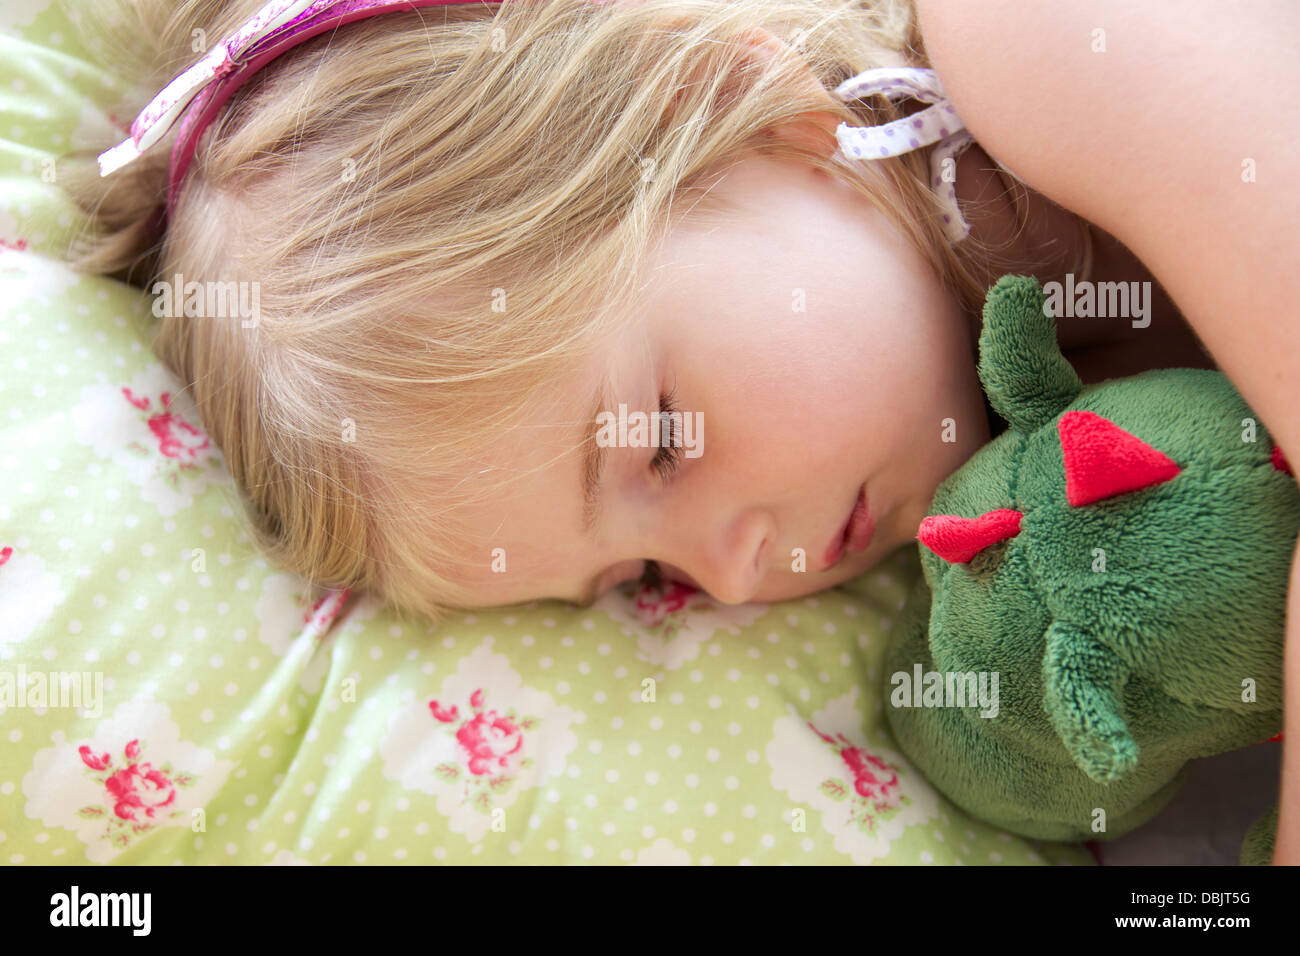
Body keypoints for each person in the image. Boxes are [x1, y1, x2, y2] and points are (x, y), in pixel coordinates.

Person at [60, 0, 1299, 862]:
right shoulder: (1025, 522)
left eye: (659, 444)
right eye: (646, 575)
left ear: (743, 111)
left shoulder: (1041, 46)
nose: (741, 567)